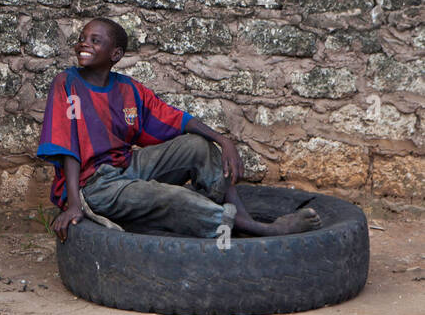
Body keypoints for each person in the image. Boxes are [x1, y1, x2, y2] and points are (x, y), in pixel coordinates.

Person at [36, 17, 321, 242]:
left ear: (116, 54)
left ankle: (234, 215)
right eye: (82, 39)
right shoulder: (67, 83)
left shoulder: (127, 89)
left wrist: (223, 141)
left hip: (126, 166)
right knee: (172, 197)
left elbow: (175, 119)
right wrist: (74, 204)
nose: (83, 44)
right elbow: (68, 147)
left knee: (197, 145)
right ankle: (256, 228)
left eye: (94, 41)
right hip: (94, 186)